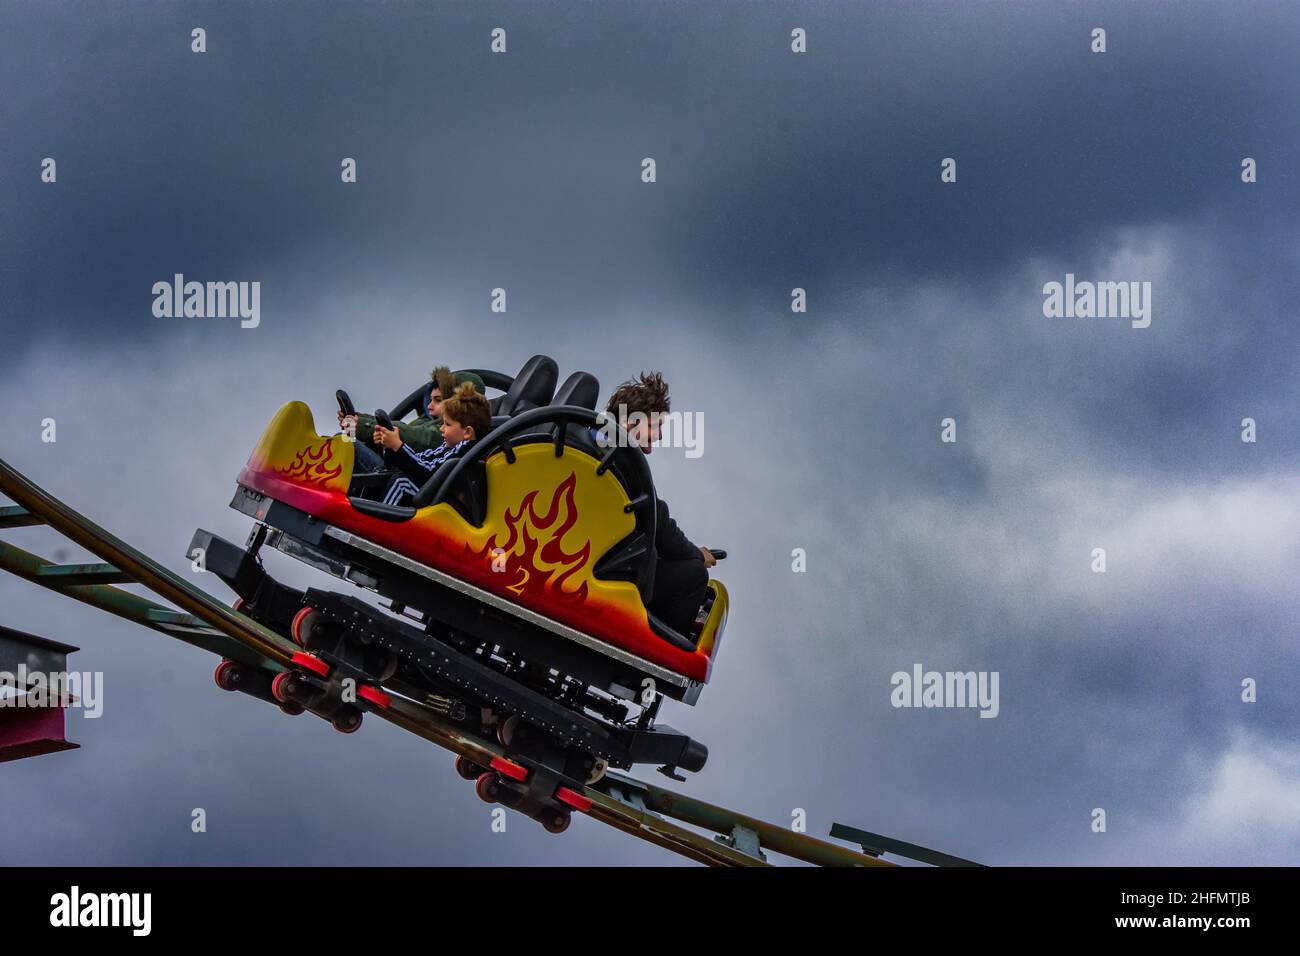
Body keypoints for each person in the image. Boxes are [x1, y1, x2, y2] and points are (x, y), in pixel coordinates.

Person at [599, 371, 715, 636]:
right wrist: (697, 554)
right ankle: (652, 650)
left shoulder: (599, 443)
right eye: (655, 426)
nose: (660, 436)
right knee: (693, 574)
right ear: (631, 423)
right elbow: (659, 524)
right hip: (610, 574)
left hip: (595, 554)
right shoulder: (623, 458)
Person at [371, 381, 492, 507]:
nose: (441, 429)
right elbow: (421, 459)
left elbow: (428, 472)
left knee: (401, 483)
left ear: (467, 432)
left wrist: (398, 446)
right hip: (437, 495)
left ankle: (376, 524)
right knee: (390, 475)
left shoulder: (466, 451)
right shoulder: (450, 447)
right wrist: (392, 447)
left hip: (448, 505)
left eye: (447, 424)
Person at [341, 366, 486, 470]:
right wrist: (355, 420)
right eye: (430, 399)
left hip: (399, 475)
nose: (429, 406)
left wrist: (360, 425)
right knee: (344, 441)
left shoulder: (450, 432)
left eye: (438, 400)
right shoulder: (428, 421)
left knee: (347, 446)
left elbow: (413, 436)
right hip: (392, 466)